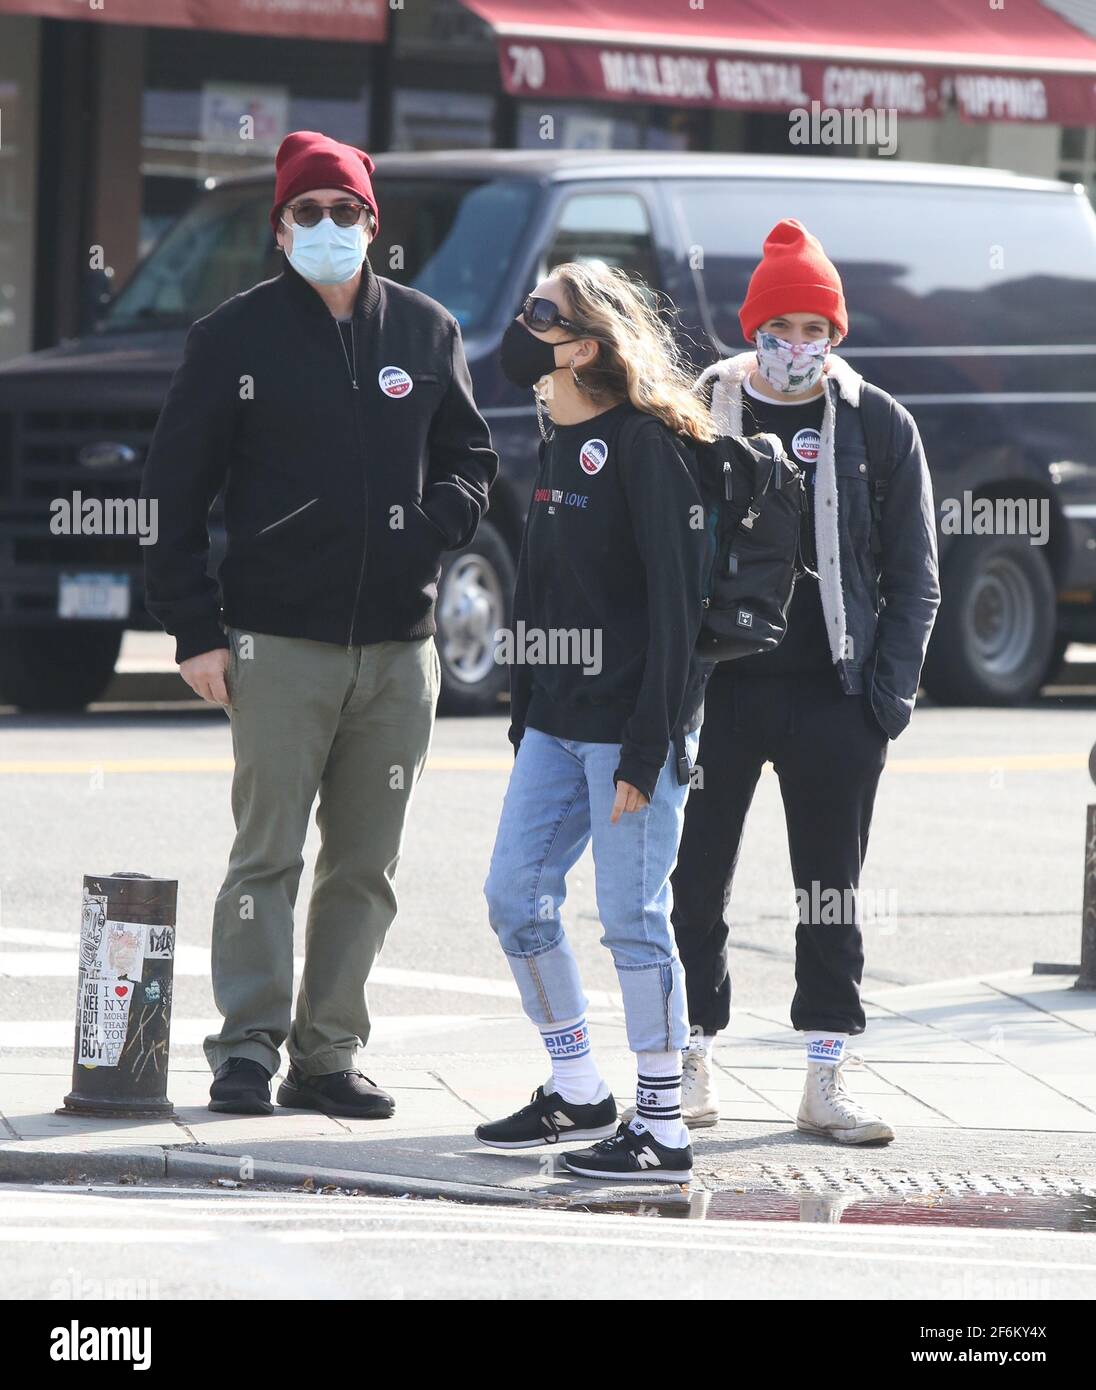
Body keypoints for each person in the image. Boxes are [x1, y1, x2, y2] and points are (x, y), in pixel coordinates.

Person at [140, 131, 497, 1118]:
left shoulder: (426, 332)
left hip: (397, 651)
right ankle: (246, 1049)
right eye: (311, 212)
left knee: (364, 867)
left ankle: (327, 1054)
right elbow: (172, 490)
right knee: (266, 857)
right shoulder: (233, 339)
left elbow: (471, 453)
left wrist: (438, 524)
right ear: (280, 226)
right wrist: (193, 629)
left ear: (373, 225)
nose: (330, 227)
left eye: (347, 212)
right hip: (276, 644)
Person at [668, 219, 939, 1144]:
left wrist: (885, 704)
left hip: (834, 696)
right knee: (694, 882)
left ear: (836, 335)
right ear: (752, 329)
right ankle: (692, 1057)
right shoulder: (699, 409)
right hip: (720, 690)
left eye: (813, 329)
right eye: (778, 327)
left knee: (830, 891)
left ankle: (825, 1076)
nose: (794, 347)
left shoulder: (876, 423)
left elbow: (916, 577)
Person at [476, 262, 712, 1182]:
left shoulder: (649, 447)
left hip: (631, 732)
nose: (524, 328)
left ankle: (663, 1127)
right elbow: (543, 584)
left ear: (582, 345)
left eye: (544, 313)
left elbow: (678, 613)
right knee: (514, 895)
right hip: (557, 720)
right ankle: (577, 1085)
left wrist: (649, 751)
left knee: (632, 920)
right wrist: (529, 704)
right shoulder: (554, 438)